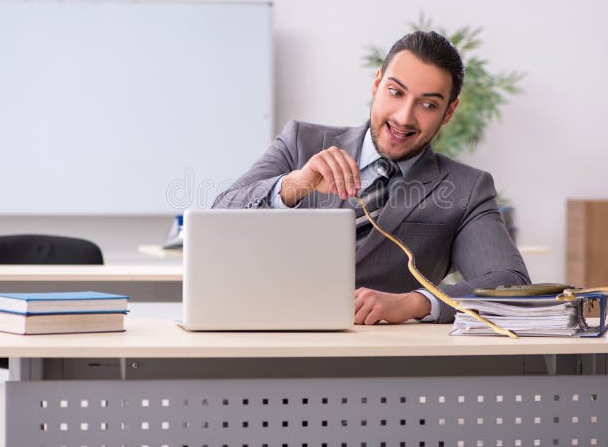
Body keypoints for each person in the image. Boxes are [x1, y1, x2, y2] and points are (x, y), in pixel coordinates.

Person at [212, 31, 530, 324]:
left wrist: (417, 302)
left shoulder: (465, 189)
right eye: (395, 92)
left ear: (448, 112)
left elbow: (510, 284)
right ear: (377, 85)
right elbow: (217, 220)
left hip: (377, 356)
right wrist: (294, 185)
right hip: (267, 335)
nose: (404, 117)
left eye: (428, 104)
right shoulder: (300, 143)